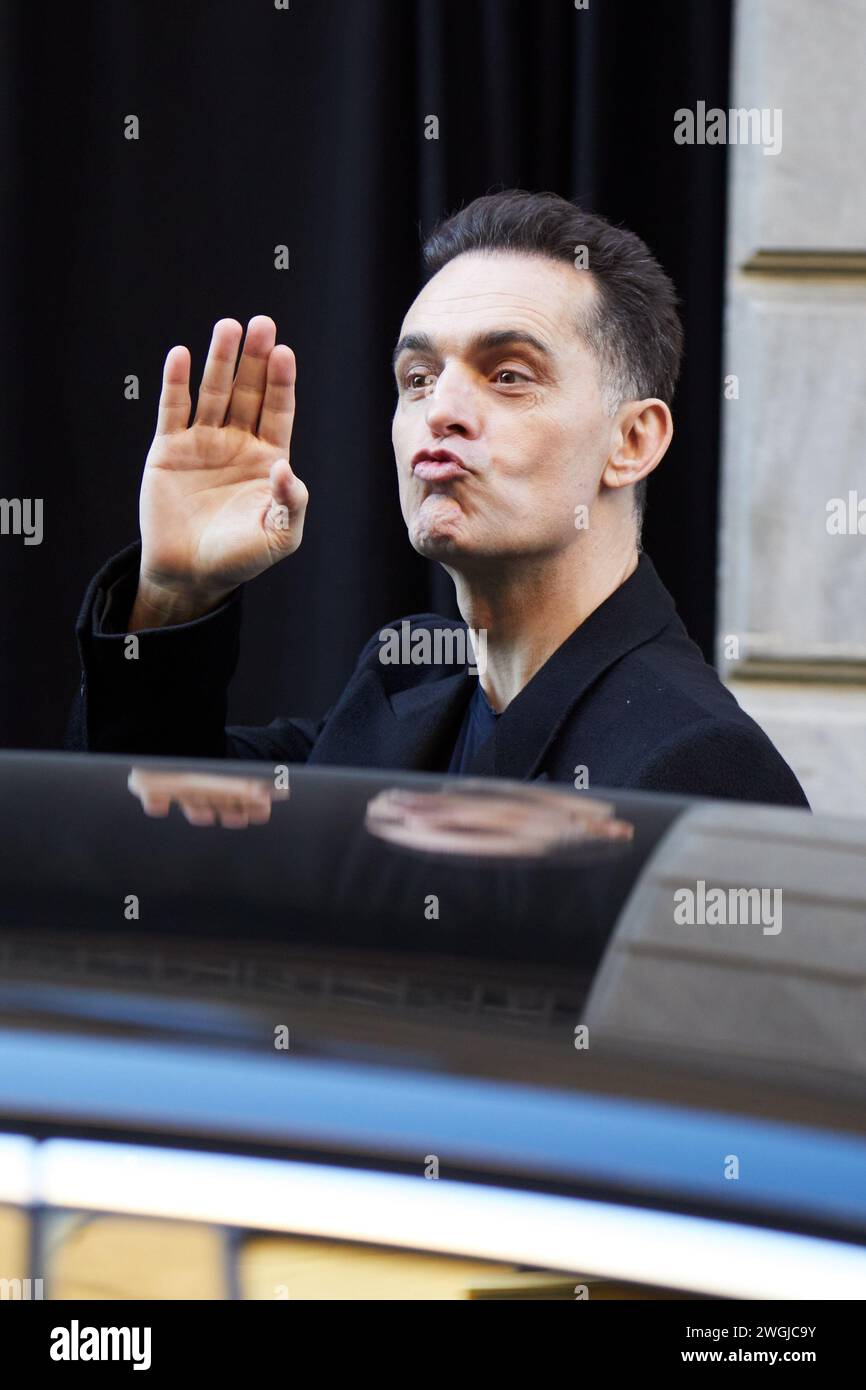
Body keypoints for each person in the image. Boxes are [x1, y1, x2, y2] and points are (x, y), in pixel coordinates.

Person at [67, 189, 808, 808]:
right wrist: (173, 594)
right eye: (418, 378)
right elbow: (146, 827)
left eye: (509, 374)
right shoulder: (403, 679)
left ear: (633, 442)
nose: (440, 410)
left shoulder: (704, 767)